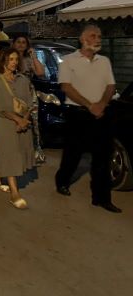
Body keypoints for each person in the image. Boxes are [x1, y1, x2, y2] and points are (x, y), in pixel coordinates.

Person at [55, 25, 120, 213]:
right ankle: (62, 181)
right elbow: (66, 87)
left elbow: (111, 86)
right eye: (93, 35)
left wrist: (101, 104)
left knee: (103, 157)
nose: (98, 39)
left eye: (99, 36)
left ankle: (101, 198)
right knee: (73, 153)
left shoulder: (104, 61)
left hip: (102, 113)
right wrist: (89, 105)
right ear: (83, 39)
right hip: (78, 114)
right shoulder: (68, 61)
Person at [0, 48, 35, 209]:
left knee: (19, 150)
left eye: (16, 59)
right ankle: (14, 193)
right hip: (4, 122)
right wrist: (17, 119)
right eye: (11, 59)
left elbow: (29, 102)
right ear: (3, 61)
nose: (14, 62)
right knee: (10, 153)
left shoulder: (22, 79)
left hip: (22, 121)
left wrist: (24, 119)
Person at [13, 35, 46, 164]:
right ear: (14, 44)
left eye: (23, 42)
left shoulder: (29, 59)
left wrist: (34, 56)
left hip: (28, 92)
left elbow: (40, 72)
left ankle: (34, 153)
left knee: (33, 122)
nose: (21, 45)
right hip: (13, 92)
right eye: (18, 42)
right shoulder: (9, 58)